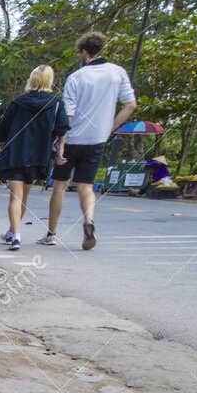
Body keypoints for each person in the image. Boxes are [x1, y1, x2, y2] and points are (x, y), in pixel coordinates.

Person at [43, 31, 136, 250]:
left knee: (60, 186)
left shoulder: (77, 77)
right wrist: (110, 128)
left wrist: (60, 142)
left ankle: (51, 233)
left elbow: (69, 114)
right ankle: (89, 220)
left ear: (84, 52)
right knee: (86, 186)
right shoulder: (118, 72)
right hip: (97, 139)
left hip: (73, 138)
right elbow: (131, 105)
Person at [0, 65, 69, 251]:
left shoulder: (18, 102)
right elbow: (62, 131)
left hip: (15, 154)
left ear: (32, 79)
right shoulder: (56, 104)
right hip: (38, 156)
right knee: (23, 196)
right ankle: (13, 232)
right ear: (49, 80)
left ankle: (15, 235)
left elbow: (3, 127)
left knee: (15, 197)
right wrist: (60, 152)